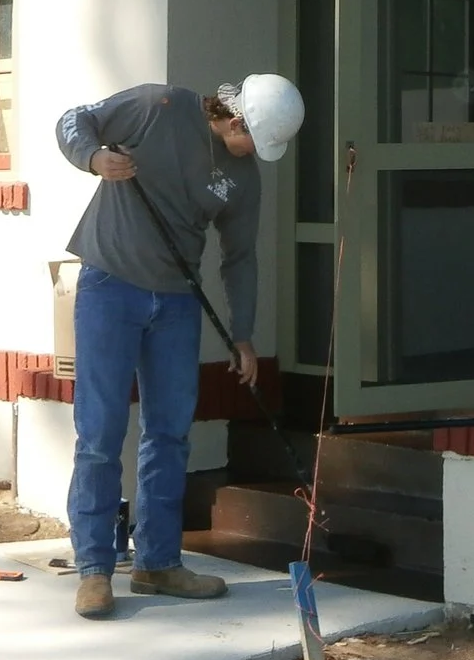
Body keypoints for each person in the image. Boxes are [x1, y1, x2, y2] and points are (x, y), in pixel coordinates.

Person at [55, 75, 304, 621]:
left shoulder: (243, 176)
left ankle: (159, 562)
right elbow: (75, 119)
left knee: (170, 433)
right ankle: (94, 570)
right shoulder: (158, 106)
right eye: (252, 142)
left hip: (176, 302)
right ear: (235, 120)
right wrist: (94, 158)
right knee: (100, 432)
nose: (253, 156)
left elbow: (240, 258)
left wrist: (242, 335)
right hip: (110, 285)